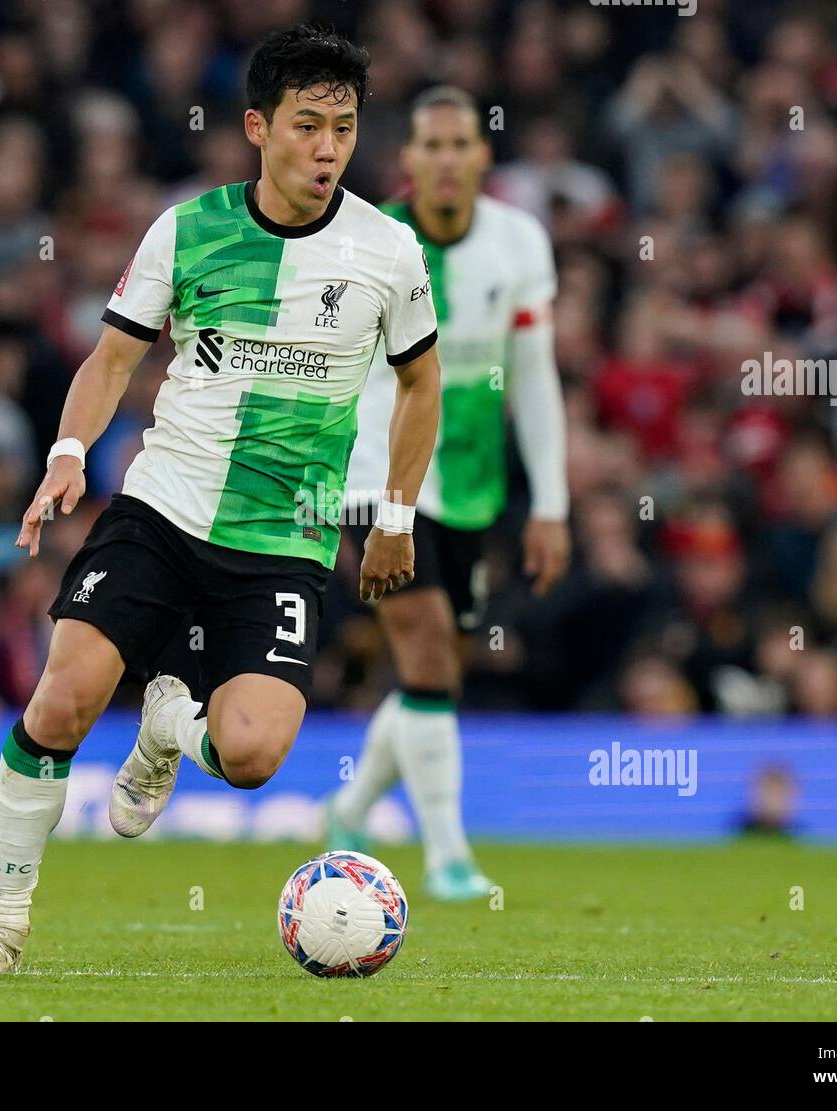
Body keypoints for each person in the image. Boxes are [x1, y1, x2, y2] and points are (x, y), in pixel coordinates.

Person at [0, 24, 441, 974]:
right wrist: (68, 450)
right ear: (257, 126)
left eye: (344, 127)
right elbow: (114, 355)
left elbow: (423, 387)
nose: (328, 148)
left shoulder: (389, 251)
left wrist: (397, 516)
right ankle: (1, 930)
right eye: (306, 125)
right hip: (162, 509)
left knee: (251, 755)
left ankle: (169, 726)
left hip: (287, 538)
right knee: (60, 703)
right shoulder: (186, 228)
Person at [327, 86, 569, 901]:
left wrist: (552, 503)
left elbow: (534, 379)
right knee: (427, 647)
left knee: (439, 671)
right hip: (376, 471)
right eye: (428, 145)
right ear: (409, 161)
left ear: (481, 155)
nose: (444, 159)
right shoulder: (367, 242)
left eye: (459, 143)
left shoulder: (520, 243)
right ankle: (448, 858)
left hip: (471, 478)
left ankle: (351, 805)